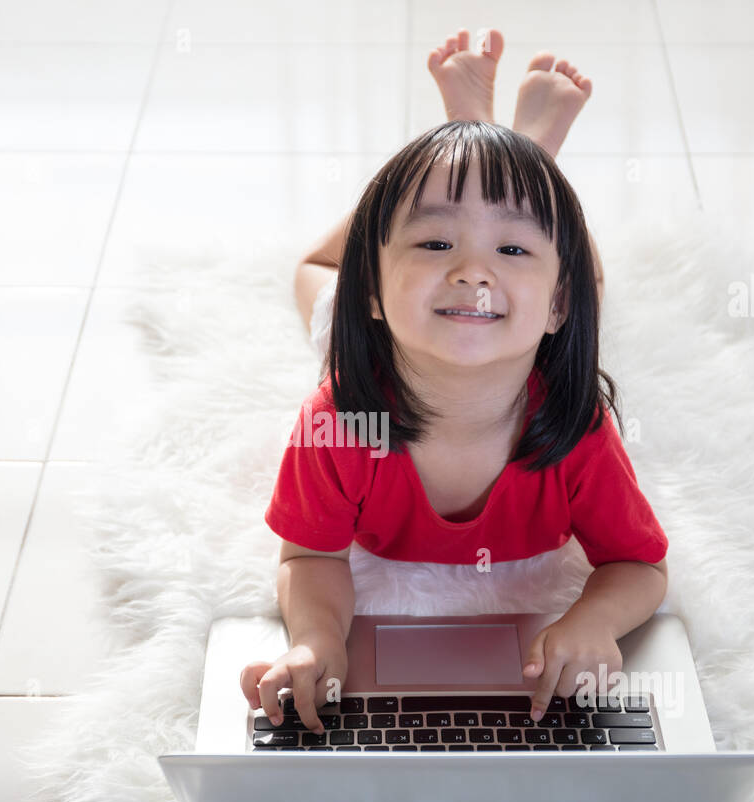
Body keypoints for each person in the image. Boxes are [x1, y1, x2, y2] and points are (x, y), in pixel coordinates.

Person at [242, 28, 669, 738]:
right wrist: (317, 640)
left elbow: (639, 566)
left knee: (592, 280)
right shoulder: (340, 419)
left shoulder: (575, 426)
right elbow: (311, 555)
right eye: (435, 242)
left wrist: (592, 622)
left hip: (519, 312)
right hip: (377, 348)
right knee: (309, 273)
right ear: (372, 289)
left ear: (556, 310)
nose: (472, 271)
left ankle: (516, 155)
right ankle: (482, 153)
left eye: (510, 247)